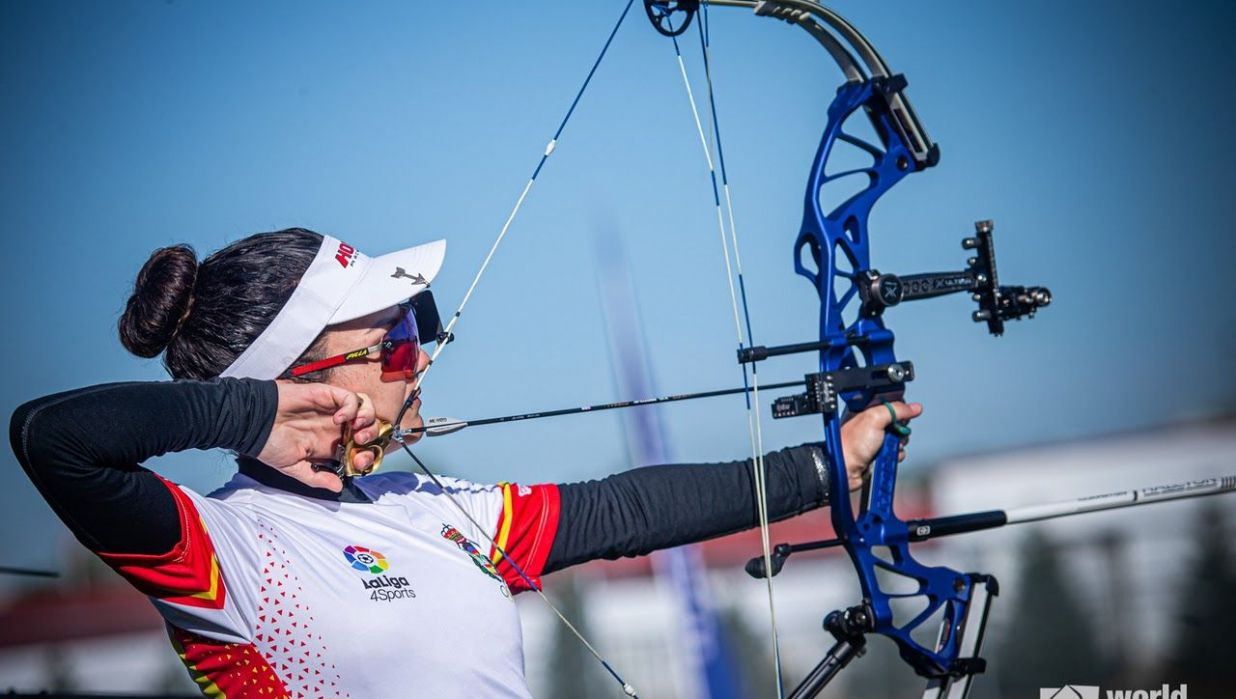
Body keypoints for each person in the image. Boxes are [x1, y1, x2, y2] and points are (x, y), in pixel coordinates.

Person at [9, 227, 922, 698]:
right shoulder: (222, 552)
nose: (424, 354)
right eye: (397, 338)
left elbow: (618, 513)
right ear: (305, 381)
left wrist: (823, 465)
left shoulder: (423, 503)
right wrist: (253, 411)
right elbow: (53, 437)